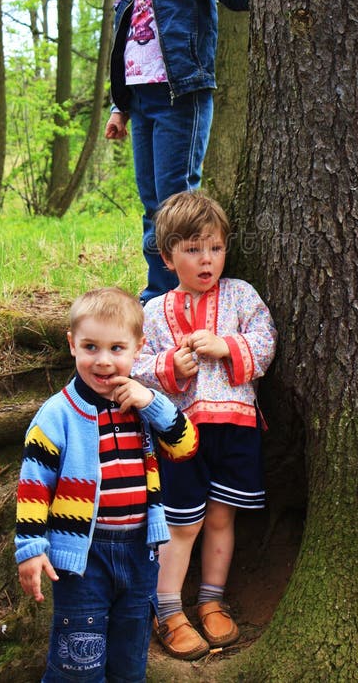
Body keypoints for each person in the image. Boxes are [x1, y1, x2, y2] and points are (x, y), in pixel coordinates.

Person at [15, 287, 198, 683]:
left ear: (138, 348)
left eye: (117, 348)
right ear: (72, 345)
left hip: (140, 552)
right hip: (83, 559)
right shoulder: (58, 415)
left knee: (129, 663)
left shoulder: (143, 406)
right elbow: (34, 485)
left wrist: (151, 401)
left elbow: (185, 446)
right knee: (78, 665)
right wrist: (30, 548)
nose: (103, 360)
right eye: (90, 347)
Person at [131, 190, 277, 661]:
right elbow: (134, 366)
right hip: (180, 436)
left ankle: (212, 599)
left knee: (220, 517)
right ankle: (168, 609)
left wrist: (227, 347)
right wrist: (170, 366)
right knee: (182, 522)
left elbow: (266, 340)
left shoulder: (241, 295)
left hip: (236, 428)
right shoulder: (154, 312)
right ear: (167, 256)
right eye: (193, 249)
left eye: (215, 247)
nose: (207, 259)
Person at [104, 0, 249, 304]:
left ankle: (183, 292)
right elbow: (126, 49)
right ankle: (158, 296)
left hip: (180, 96)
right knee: (152, 203)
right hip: (141, 101)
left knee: (174, 199)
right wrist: (119, 107)